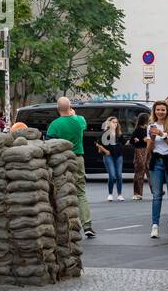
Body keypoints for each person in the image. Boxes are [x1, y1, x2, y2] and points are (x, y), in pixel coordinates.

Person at [46, 96, 95, 239]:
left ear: (57, 108)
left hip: (61, 159)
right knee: (80, 192)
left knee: (61, 191)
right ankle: (87, 225)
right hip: (78, 158)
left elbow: (48, 142)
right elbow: (82, 122)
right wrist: (74, 114)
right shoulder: (79, 121)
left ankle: (65, 224)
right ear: (70, 107)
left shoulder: (54, 124)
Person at [146, 100, 168, 239]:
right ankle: (155, 225)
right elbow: (149, 149)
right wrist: (152, 139)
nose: (160, 112)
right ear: (154, 111)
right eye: (157, 109)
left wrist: (162, 134)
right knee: (157, 195)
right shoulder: (151, 126)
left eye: (163, 110)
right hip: (156, 161)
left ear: (167, 111)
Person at [98, 113, 125, 202]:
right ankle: (110, 194)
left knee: (119, 175)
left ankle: (120, 194)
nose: (115, 124)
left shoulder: (119, 134)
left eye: (116, 123)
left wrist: (135, 140)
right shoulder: (105, 133)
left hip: (118, 156)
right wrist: (106, 151)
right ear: (109, 123)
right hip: (108, 156)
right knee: (112, 175)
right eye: (113, 122)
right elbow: (98, 144)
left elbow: (125, 142)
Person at [130, 112, 151, 202]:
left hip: (147, 150)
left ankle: (156, 190)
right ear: (145, 120)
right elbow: (131, 141)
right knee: (140, 171)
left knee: (150, 170)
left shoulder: (148, 129)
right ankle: (137, 193)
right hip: (139, 151)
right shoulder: (137, 130)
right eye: (148, 119)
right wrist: (138, 140)